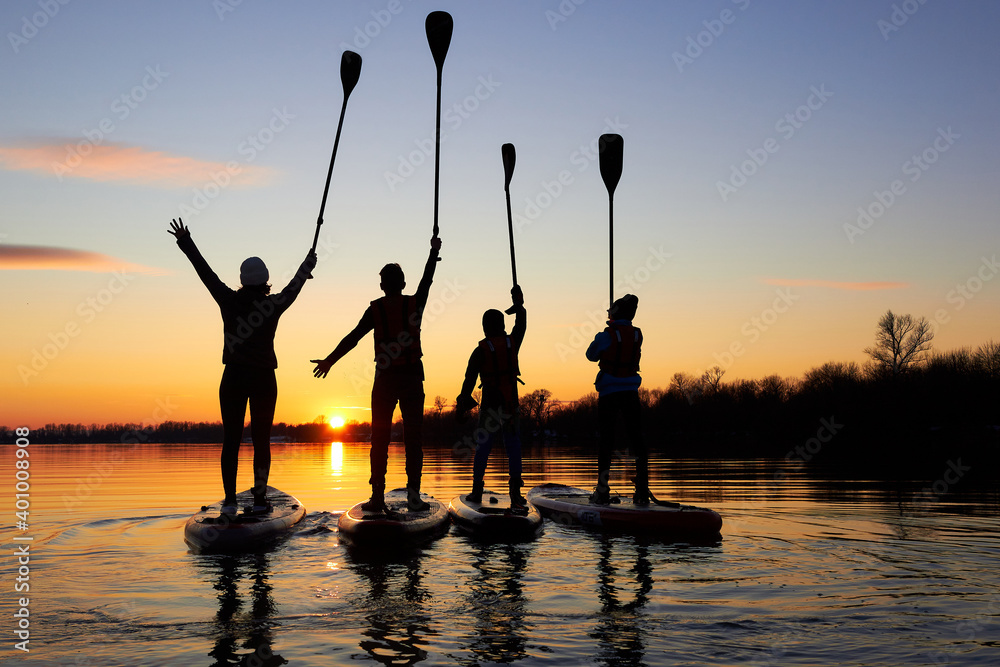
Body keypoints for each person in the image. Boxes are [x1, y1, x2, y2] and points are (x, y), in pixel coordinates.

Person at [168, 218, 317, 515]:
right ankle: (260, 501)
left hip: (234, 377)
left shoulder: (228, 299)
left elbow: (205, 273)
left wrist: (186, 242)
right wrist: (306, 267)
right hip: (263, 379)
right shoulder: (273, 304)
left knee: (231, 440)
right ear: (265, 280)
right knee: (262, 440)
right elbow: (293, 289)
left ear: (242, 279)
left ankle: (230, 503)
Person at [311, 236, 442, 512]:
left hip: (385, 380)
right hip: (410, 377)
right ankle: (414, 496)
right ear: (403, 284)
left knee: (379, 439)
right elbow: (427, 282)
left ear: (382, 286)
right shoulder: (414, 304)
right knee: (413, 439)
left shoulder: (376, 309)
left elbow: (353, 337)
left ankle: (378, 497)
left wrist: (330, 361)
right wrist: (432, 254)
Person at [456, 286, 526, 509]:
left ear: (485, 328)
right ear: (503, 326)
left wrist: (462, 404)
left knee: (483, 447)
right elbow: (521, 325)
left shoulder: (480, 351)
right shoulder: (512, 344)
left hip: (490, 407)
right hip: (510, 406)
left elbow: (468, 380)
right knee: (513, 445)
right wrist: (520, 306)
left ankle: (477, 491)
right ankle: (515, 493)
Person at [584, 294, 650, 505]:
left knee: (606, 441)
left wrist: (605, 332)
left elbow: (591, 355)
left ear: (615, 313)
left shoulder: (606, 335)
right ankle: (642, 489)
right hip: (631, 391)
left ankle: (602, 490)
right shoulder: (638, 334)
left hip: (609, 393)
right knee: (637, 438)